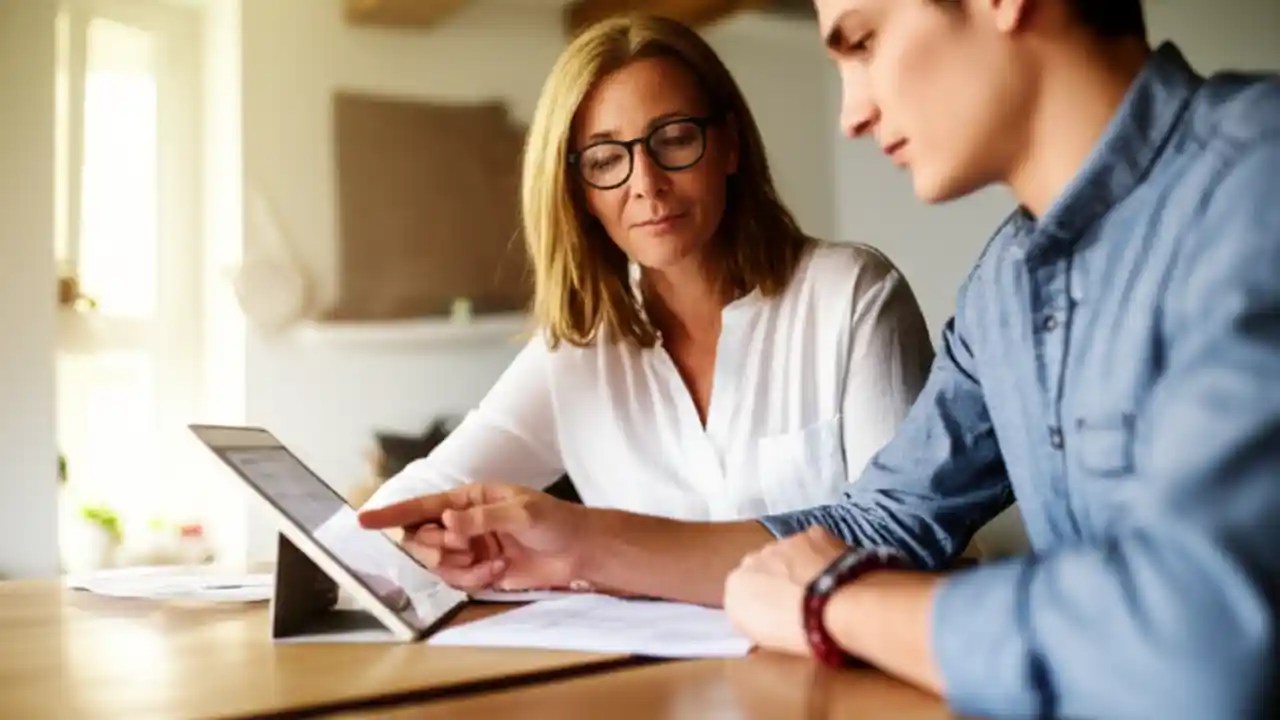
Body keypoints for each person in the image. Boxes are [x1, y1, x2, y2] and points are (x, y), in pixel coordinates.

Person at [361, 0, 1280, 716]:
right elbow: (885, 519)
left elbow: (1197, 643)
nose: (851, 113)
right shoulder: (1008, 280)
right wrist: (579, 542)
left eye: (863, 41)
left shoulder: (1257, 181)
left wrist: (831, 602)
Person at [362, 16, 933, 545]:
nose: (646, 183)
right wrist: (407, 542)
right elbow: (423, 495)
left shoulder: (852, 296)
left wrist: (598, 547)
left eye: (676, 139)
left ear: (729, 145)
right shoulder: (579, 351)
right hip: (658, 660)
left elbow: (895, 540)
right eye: (608, 159)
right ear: (579, 190)